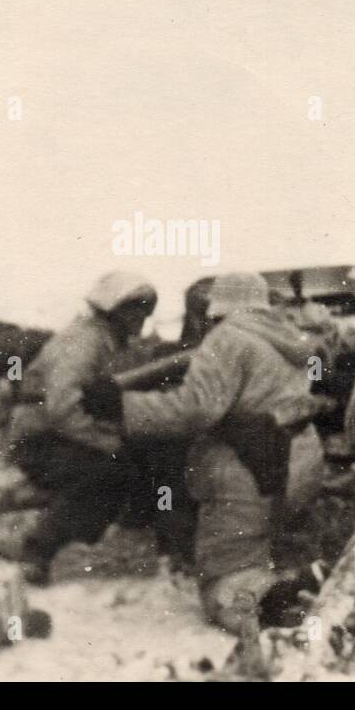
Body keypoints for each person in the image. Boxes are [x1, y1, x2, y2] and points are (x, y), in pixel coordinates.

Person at [81, 271, 327, 634]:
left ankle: (283, 600)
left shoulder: (227, 338)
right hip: (299, 461)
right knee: (251, 553)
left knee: (222, 585)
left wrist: (122, 407)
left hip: (248, 468)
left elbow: (196, 409)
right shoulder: (290, 336)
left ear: (218, 306)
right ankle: (295, 586)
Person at [4, 271, 158, 582]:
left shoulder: (105, 342)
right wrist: (106, 441)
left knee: (131, 462)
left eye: (146, 307)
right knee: (104, 471)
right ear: (115, 309)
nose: (142, 316)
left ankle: (97, 546)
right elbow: (62, 409)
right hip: (40, 437)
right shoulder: (84, 343)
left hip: (58, 432)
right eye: (136, 307)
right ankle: (38, 552)